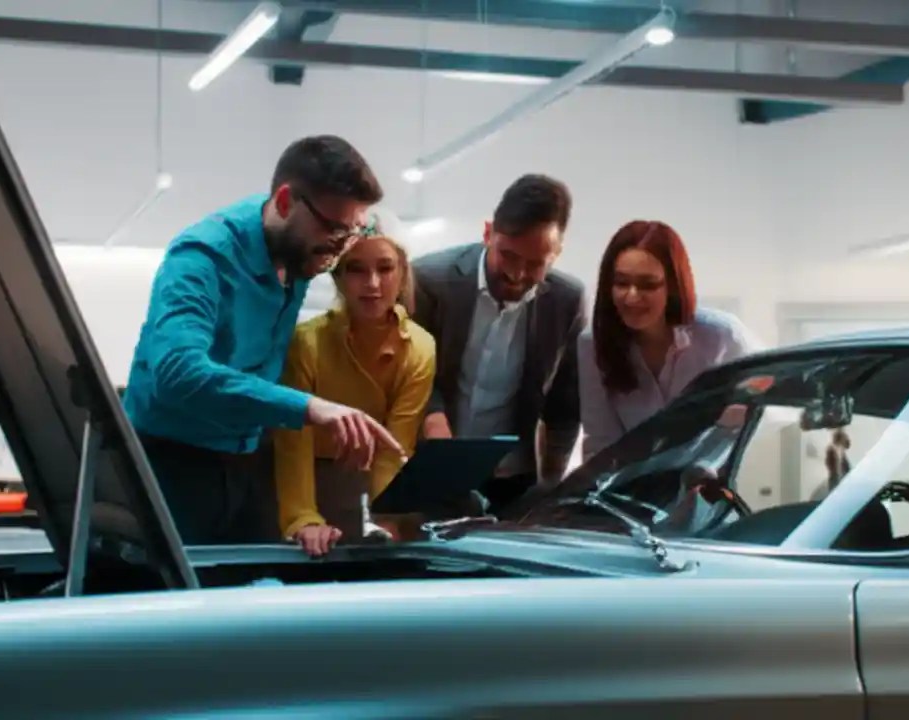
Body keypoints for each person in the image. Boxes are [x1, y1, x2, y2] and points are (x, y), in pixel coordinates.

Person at [122, 135, 405, 545]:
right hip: (169, 464)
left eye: (352, 232)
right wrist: (308, 407)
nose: (339, 249)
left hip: (246, 460)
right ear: (286, 202)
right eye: (333, 231)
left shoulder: (305, 245)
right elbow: (178, 372)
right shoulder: (202, 257)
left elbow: (356, 230)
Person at [412, 174, 587, 515]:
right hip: (432, 465)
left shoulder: (568, 299)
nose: (517, 274)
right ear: (488, 232)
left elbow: (565, 405)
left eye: (536, 263)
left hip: (514, 480)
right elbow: (412, 371)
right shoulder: (429, 280)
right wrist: (433, 420)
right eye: (507, 255)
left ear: (557, 253)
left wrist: (550, 486)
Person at [273, 223, 436, 556]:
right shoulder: (307, 342)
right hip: (301, 480)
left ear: (403, 274)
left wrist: (386, 518)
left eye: (385, 268)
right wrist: (302, 517)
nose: (372, 284)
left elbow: (395, 446)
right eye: (356, 270)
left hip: (366, 481)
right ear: (337, 277)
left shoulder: (421, 347)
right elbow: (293, 443)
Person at [577, 220, 758, 462]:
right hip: (635, 487)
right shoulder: (593, 345)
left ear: (672, 287)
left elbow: (765, 412)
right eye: (621, 283)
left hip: (714, 483)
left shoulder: (721, 336)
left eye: (648, 285)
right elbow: (601, 445)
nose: (631, 296)